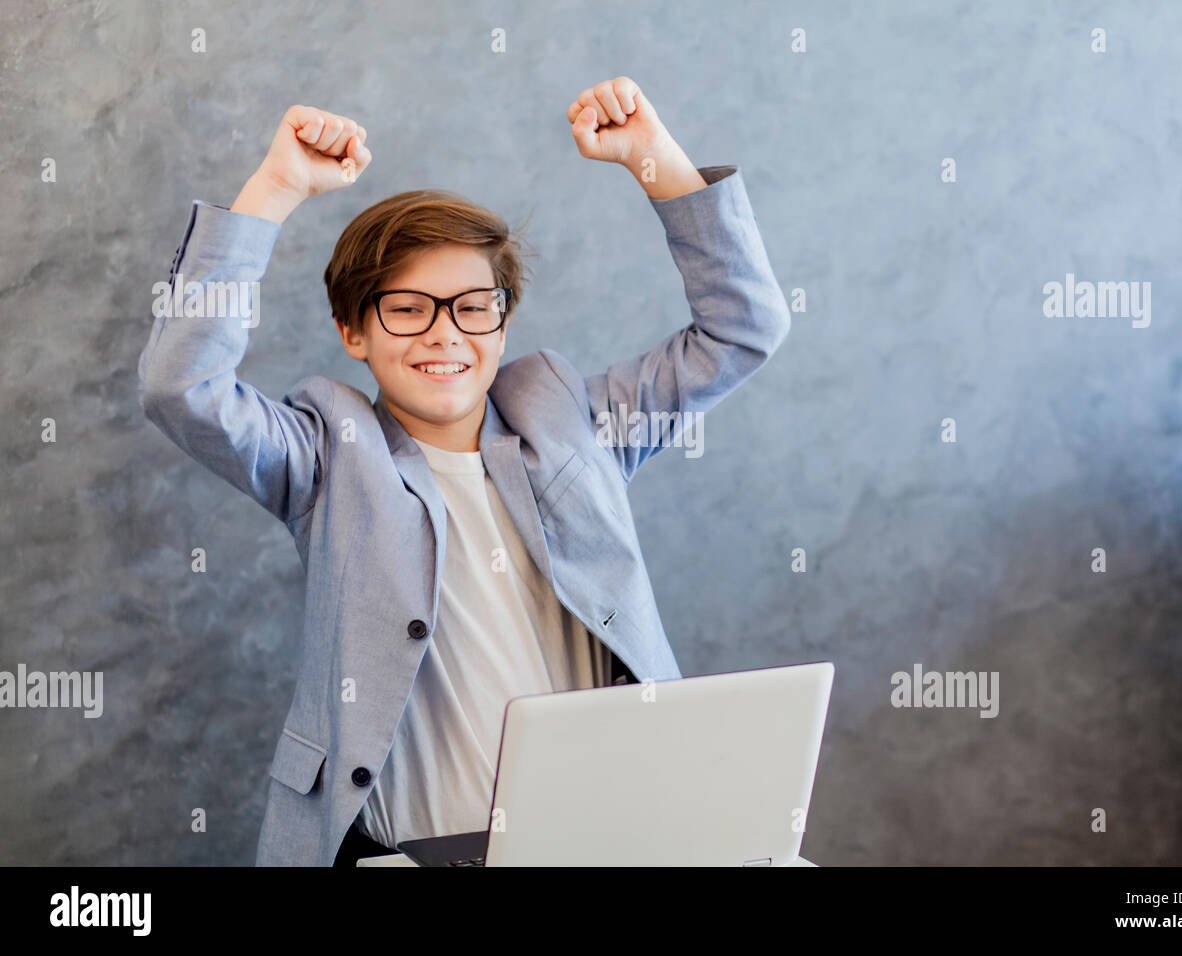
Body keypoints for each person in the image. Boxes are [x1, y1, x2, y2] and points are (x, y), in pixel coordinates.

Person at [138, 77, 790, 866]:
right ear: (353, 331)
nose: (443, 334)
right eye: (407, 309)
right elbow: (183, 386)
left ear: (503, 320)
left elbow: (743, 327)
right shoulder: (322, 458)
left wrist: (654, 159)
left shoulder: (577, 426)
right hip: (407, 850)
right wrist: (274, 191)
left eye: (472, 306)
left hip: (610, 840)